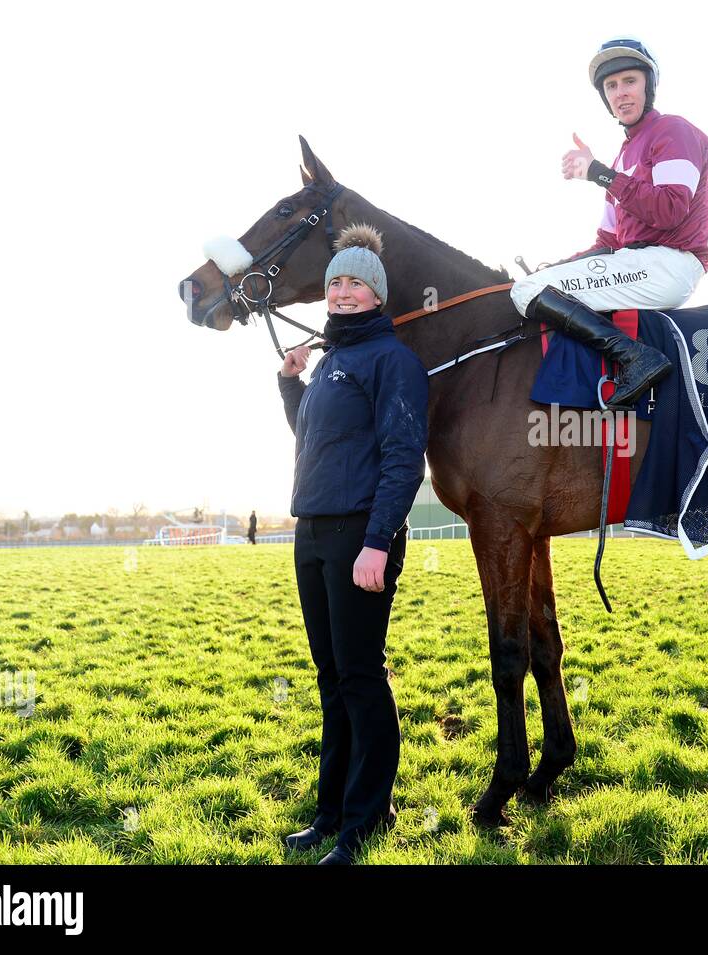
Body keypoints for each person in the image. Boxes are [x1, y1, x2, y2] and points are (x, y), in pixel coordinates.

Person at [276, 224, 429, 865]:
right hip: (311, 532)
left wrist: (377, 542)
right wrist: (292, 384)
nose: (342, 291)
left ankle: (366, 822)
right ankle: (331, 814)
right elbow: (314, 439)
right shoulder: (330, 362)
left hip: (359, 535)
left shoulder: (392, 361)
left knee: (361, 676)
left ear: (377, 294)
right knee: (332, 677)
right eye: (335, 281)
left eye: (355, 283)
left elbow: (404, 458)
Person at [510, 37, 708, 408]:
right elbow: (608, 241)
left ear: (649, 86)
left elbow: (670, 210)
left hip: (670, 264)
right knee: (535, 284)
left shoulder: (673, 130)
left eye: (629, 81)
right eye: (611, 86)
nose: (620, 93)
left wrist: (599, 173)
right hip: (635, 262)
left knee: (524, 292)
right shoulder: (622, 157)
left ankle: (637, 358)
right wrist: (558, 267)